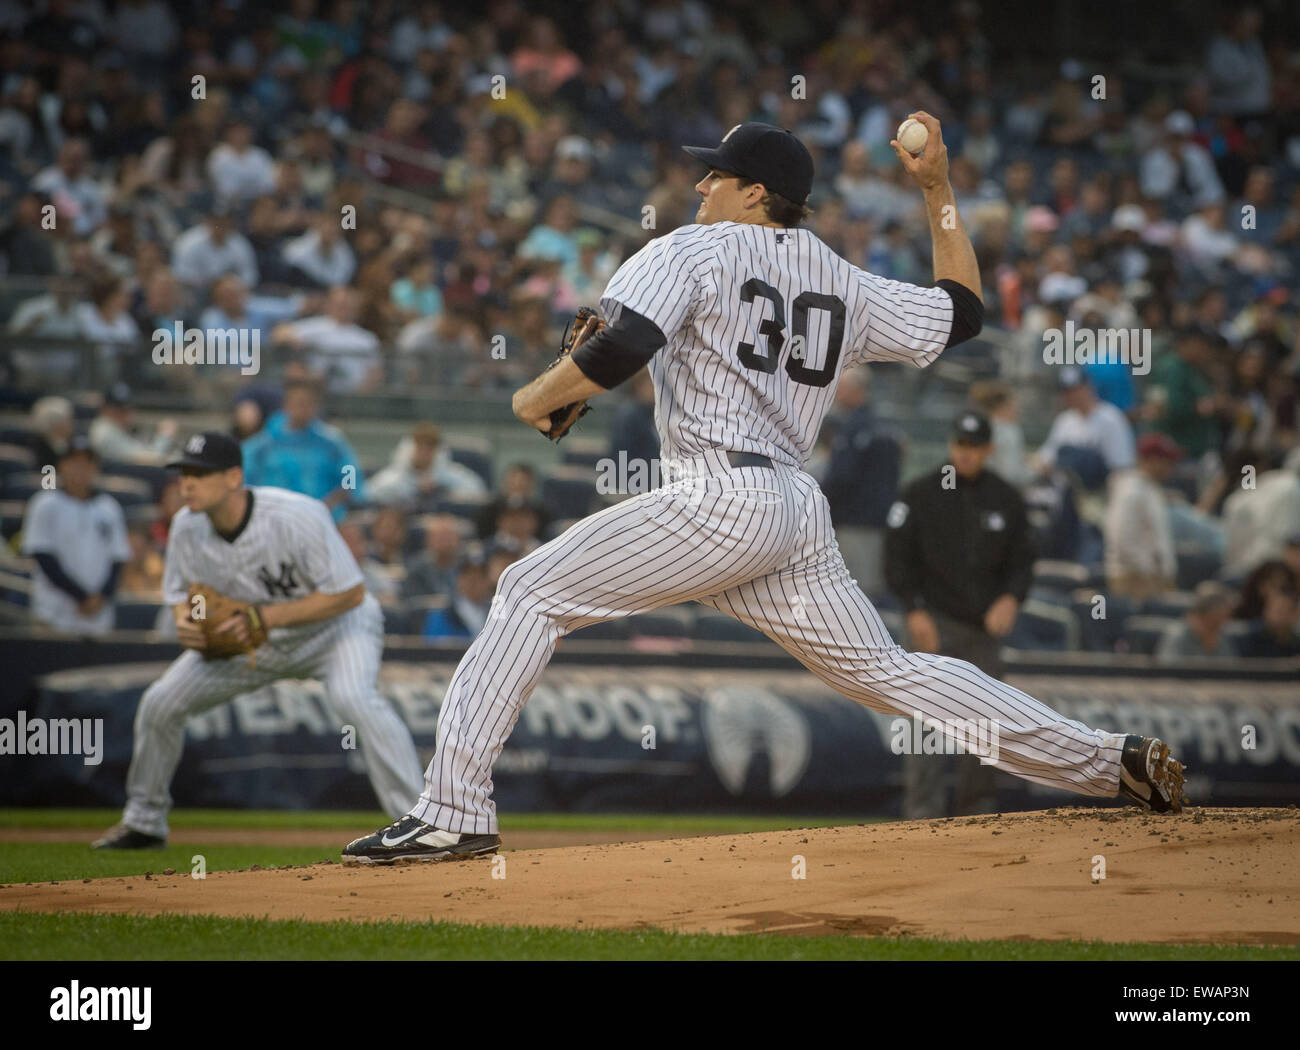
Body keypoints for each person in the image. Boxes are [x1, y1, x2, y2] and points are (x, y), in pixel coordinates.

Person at [343, 117, 1186, 866]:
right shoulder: (843, 278)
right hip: (792, 512)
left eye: (716, 174)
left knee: (527, 591)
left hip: (720, 497)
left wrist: (538, 395)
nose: (701, 184)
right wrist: (939, 191)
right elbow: (961, 312)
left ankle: (453, 812)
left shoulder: (690, 247)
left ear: (756, 193)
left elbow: (622, 342)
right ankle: (1110, 763)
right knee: (888, 673)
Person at [92, 432, 424, 849]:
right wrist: (191, 622)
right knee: (161, 703)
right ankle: (144, 821)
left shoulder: (296, 514)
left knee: (355, 699)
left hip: (337, 630)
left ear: (233, 477)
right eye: (183, 474)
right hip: (250, 641)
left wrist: (262, 616)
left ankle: (418, 820)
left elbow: (349, 593)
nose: (186, 484)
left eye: (199, 473)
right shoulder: (186, 527)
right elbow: (182, 596)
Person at [884, 410, 1034, 819]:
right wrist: (914, 610)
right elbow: (896, 561)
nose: (966, 454)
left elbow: (1023, 561)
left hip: (981, 631)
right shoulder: (920, 493)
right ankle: (922, 815)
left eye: (974, 447)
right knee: (924, 723)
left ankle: (978, 812)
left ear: (989, 449)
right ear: (951, 445)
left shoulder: (1006, 498)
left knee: (985, 725)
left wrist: (1011, 598)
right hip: (933, 623)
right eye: (960, 446)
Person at [20, 437, 130, 636]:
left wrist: (100, 598)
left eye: (87, 462)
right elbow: (44, 557)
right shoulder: (45, 504)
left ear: (96, 468)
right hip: (54, 614)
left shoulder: (109, 507)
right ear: (61, 465)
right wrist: (82, 597)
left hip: (98, 618)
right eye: (74, 462)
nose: (80, 468)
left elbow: (118, 559)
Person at [820, 366, 900, 599]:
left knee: (850, 595)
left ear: (857, 390)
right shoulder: (884, 425)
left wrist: (820, 509)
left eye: (842, 388)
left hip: (853, 523)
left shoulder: (854, 429)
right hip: (875, 522)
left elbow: (841, 477)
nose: (837, 394)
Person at [240, 377, 365, 523]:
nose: (303, 408)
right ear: (286, 404)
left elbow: (350, 471)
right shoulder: (263, 444)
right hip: (272, 523)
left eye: (308, 403)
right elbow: (243, 478)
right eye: (298, 403)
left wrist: (332, 503)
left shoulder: (332, 442)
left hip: (321, 522)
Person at [1103, 433, 1182, 602]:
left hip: (1149, 578)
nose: (1171, 467)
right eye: (1166, 461)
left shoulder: (1149, 488)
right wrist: (1147, 570)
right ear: (1152, 460)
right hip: (1134, 579)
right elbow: (1121, 537)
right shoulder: (1130, 490)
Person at [366, 422, 488, 510]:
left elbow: (477, 491)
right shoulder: (393, 476)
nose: (424, 452)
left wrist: (441, 489)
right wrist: (414, 490)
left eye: (429, 447)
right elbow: (370, 494)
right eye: (420, 446)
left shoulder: (451, 474)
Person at [88, 383, 178, 465]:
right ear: (104, 408)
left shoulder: (115, 429)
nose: (125, 414)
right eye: (118, 410)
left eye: (127, 409)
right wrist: (165, 436)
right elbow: (153, 460)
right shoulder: (105, 432)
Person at [1154, 582, 1237, 662]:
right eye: (1215, 619)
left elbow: (1232, 670)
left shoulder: (1221, 637)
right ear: (1202, 615)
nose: (1222, 623)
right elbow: (1169, 671)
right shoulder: (1177, 635)